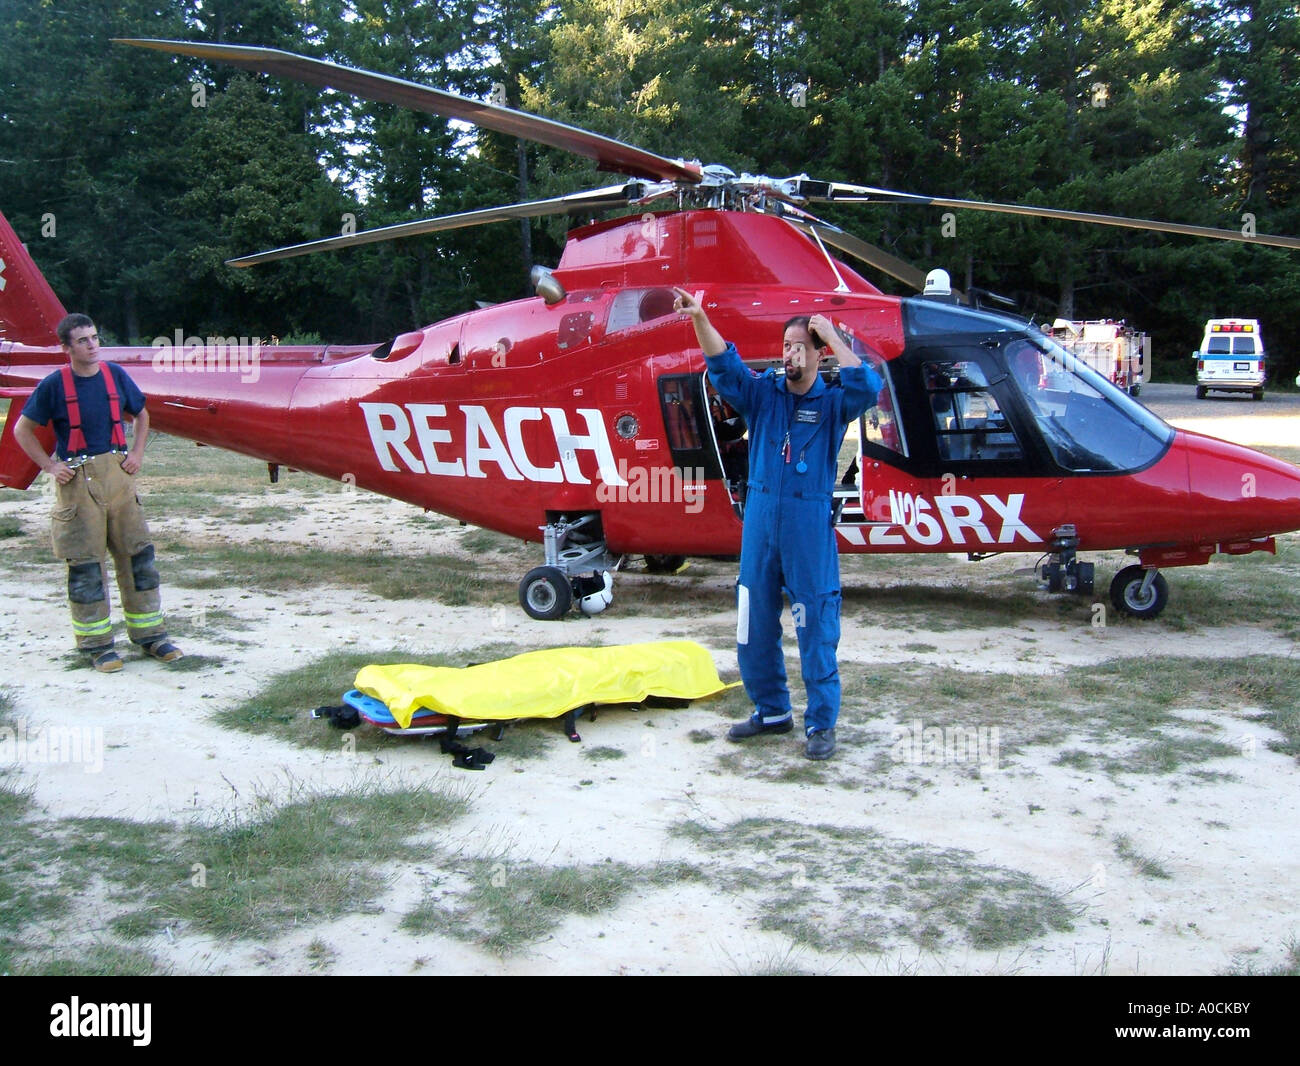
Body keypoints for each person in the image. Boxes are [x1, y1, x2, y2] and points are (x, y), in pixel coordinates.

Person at [673, 288, 881, 759]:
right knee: (753, 623)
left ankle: (821, 724)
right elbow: (724, 367)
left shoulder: (832, 404)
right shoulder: (763, 396)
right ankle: (771, 711)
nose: (790, 353)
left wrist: (831, 331)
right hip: (761, 529)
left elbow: (869, 387)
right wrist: (701, 317)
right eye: (786, 345)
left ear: (816, 354)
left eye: (800, 346)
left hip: (808, 532)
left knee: (816, 626)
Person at [13, 313, 183, 673]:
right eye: (83, 340)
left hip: (119, 477)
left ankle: (151, 636)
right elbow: (22, 430)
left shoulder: (115, 375)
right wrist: (49, 466)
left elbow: (142, 415)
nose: (92, 345)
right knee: (87, 565)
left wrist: (137, 453)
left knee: (139, 557)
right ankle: (97, 645)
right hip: (79, 482)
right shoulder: (53, 385)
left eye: (94, 338)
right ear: (66, 348)